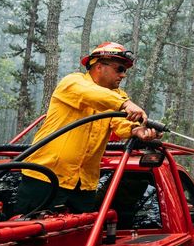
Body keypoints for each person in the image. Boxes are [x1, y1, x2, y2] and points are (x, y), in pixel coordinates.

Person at [15, 42, 159, 214]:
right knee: (33, 236)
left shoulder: (117, 97)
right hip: (45, 178)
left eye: (125, 71)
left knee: (81, 236)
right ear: (99, 66)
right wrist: (124, 104)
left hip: (84, 186)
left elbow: (120, 124)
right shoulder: (72, 82)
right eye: (119, 69)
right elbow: (91, 94)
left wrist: (136, 130)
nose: (123, 75)